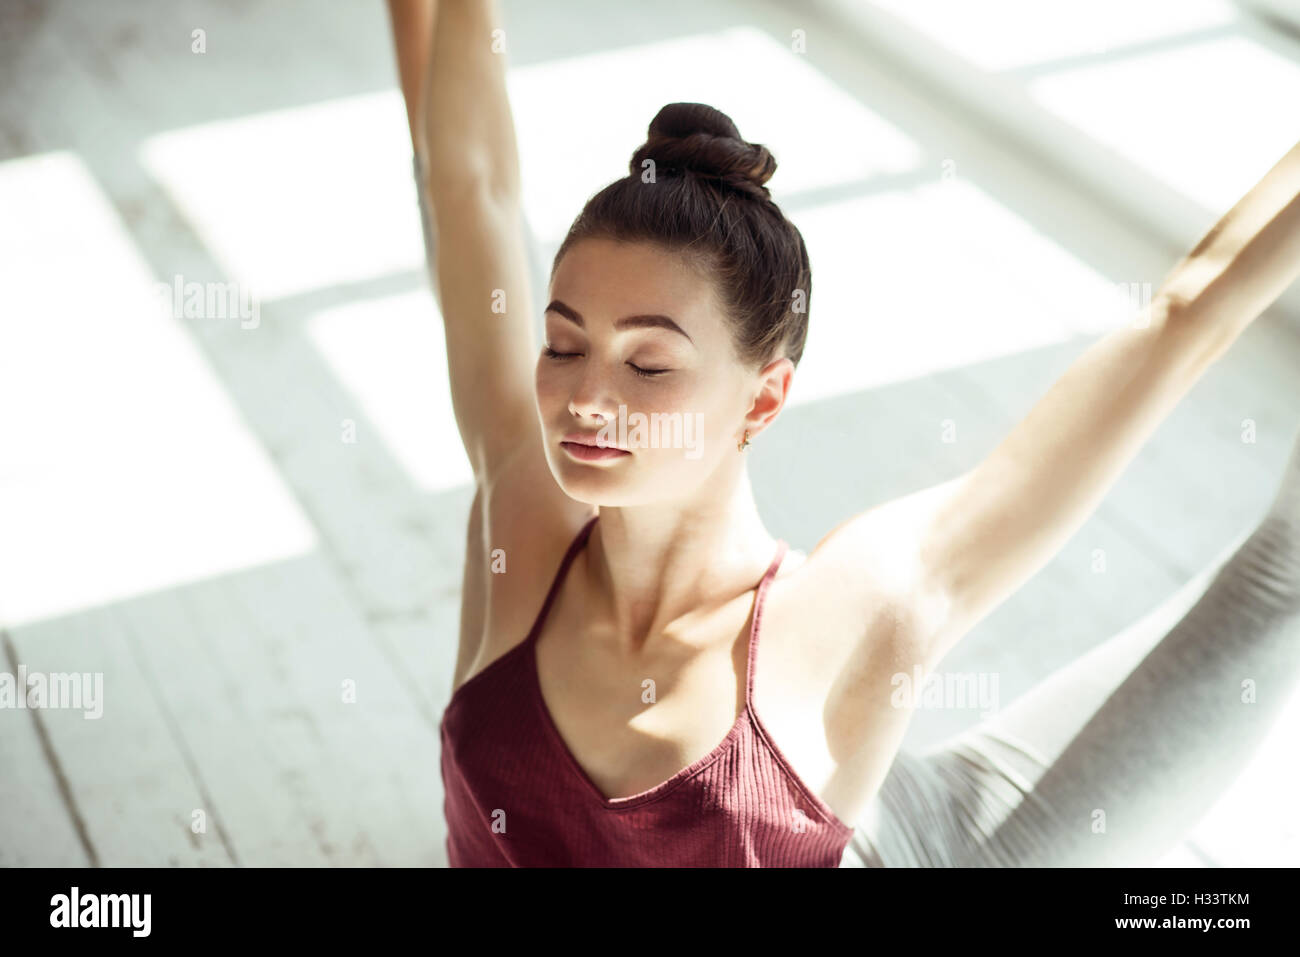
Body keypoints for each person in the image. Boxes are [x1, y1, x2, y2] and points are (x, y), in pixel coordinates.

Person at [386, 0, 1300, 866]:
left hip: (932, 845)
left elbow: (1180, 319)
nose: (584, 395)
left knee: (1279, 581)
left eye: (648, 364)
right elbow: (468, 188)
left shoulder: (850, 607)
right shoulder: (527, 523)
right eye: (562, 343)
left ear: (762, 399)